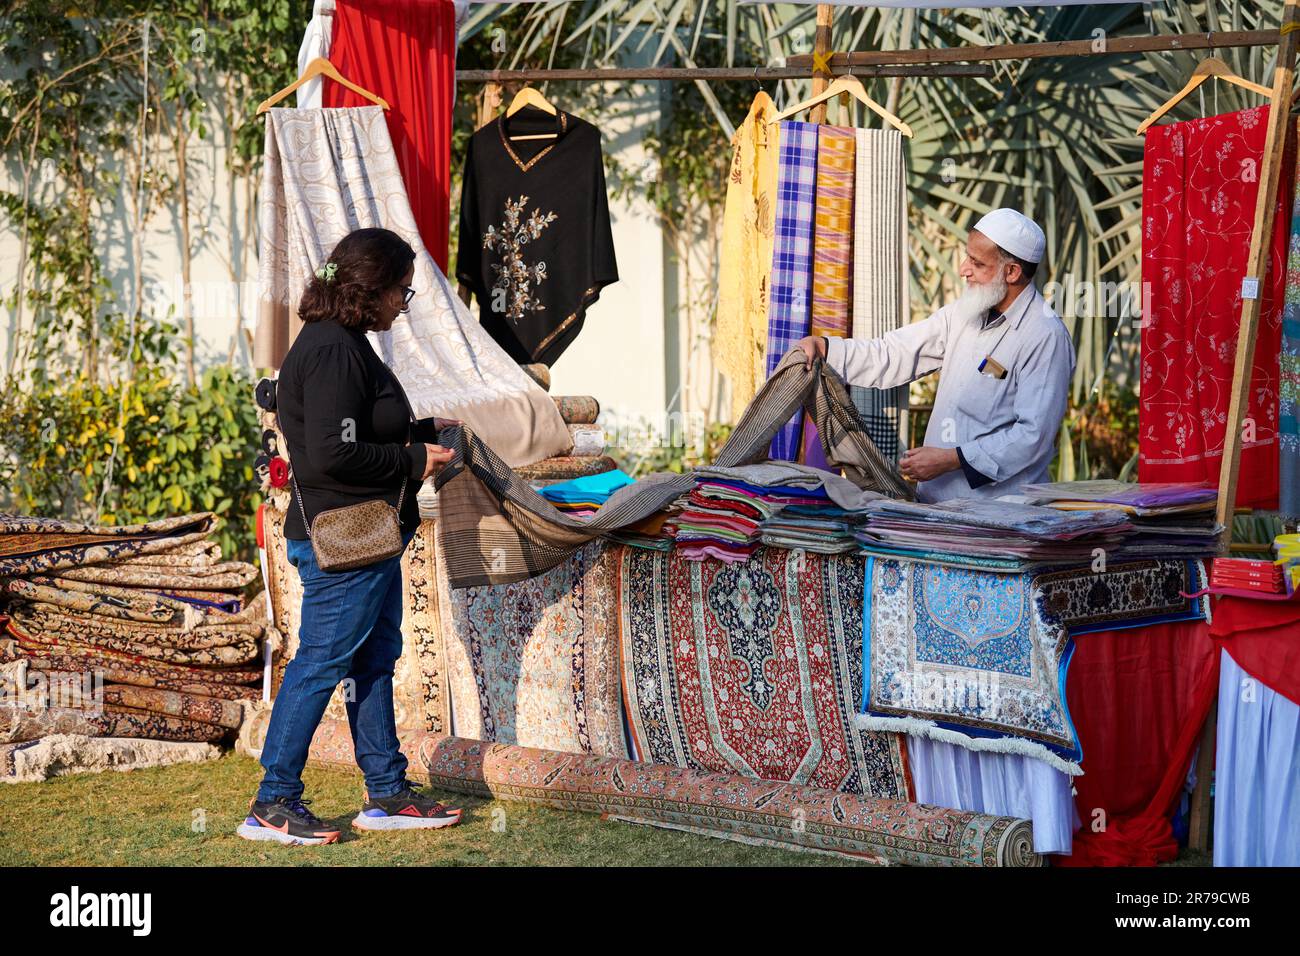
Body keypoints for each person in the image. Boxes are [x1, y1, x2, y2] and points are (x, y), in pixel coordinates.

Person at [238, 228, 460, 846]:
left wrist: (420, 428)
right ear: (370, 289)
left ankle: (386, 791)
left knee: (370, 659)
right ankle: (272, 802)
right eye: (401, 292)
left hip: (364, 535)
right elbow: (333, 455)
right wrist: (414, 460)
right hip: (344, 538)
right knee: (319, 662)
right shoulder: (335, 348)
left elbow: (352, 428)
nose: (401, 304)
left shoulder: (339, 344)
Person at [796, 208, 1075, 502]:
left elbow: (1033, 437)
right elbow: (896, 352)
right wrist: (828, 348)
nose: (963, 269)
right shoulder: (964, 313)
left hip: (997, 516)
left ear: (1012, 272)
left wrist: (952, 459)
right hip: (935, 504)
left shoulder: (1045, 336)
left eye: (977, 263)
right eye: (967, 257)